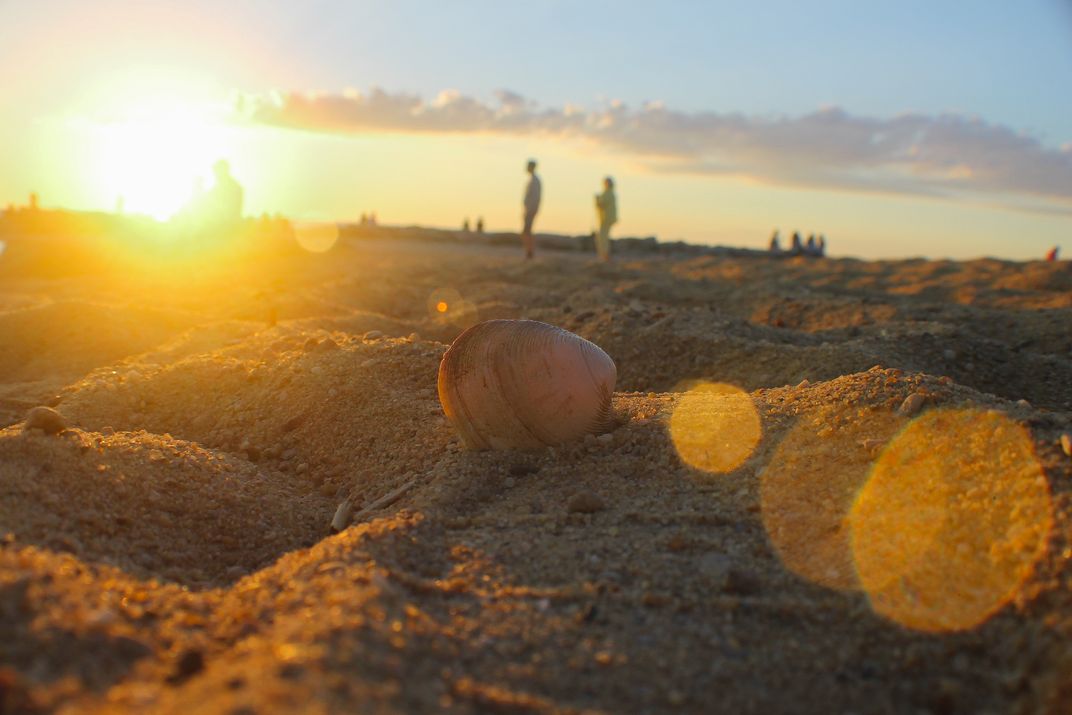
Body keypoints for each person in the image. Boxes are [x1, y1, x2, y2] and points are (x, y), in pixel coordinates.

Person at [206, 159, 243, 228]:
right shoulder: (219, 187)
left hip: (227, 226)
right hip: (224, 225)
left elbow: (231, 212)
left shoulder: (232, 187)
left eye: (217, 171)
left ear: (223, 170)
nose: (215, 175)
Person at [521, 159, 541, 259]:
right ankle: (529, 251)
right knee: (527, 231)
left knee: (527, 231)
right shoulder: (533, 180)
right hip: (529, 209)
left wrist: (530, 209)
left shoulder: (535, 181)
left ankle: (530, 252)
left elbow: (535, 198)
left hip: (531, 209)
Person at [594, 176, 617, 261]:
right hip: (608, 218)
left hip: (605, 219)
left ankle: (604, 255)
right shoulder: (611, 193)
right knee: (604, 237)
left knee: (602, 237)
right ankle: (604, 255)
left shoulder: (607, 193)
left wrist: (596, 199)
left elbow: (601, 205)